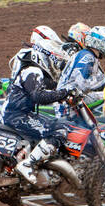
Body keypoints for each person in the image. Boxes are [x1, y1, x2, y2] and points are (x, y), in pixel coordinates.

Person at [7, 36, 78, 186]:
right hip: (17, 115)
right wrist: (64, 93)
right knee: (59, 130)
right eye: (54, 62)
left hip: (19, 113)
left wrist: (61, 95)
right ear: (46, 58)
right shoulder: (32, 70)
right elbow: (38, 95)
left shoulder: (32, 70)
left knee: (55, 124)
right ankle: (27, 165)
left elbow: (44, 92)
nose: (55, 66)